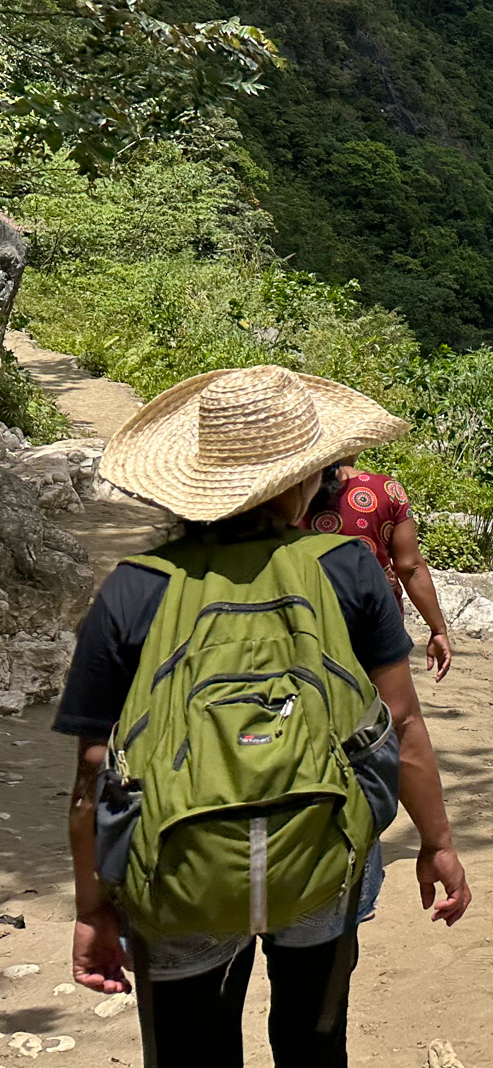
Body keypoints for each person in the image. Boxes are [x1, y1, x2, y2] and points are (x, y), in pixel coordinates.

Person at [55, 365, 471, 1067]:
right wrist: (436, 841)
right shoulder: (347, 569)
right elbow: (402, 727)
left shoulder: (134, 589)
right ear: (304, 477)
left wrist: (93, 908)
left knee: (193, 1052)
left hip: (180, 870)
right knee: (313, 1046)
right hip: (318, 857)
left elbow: (94, 768)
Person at [310, 459, 453, 680]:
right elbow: (409, 567)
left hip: (306, 617)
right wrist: (438, 629)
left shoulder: (291, 492)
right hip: (374, 621)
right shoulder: (386, 491)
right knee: (385, 704)